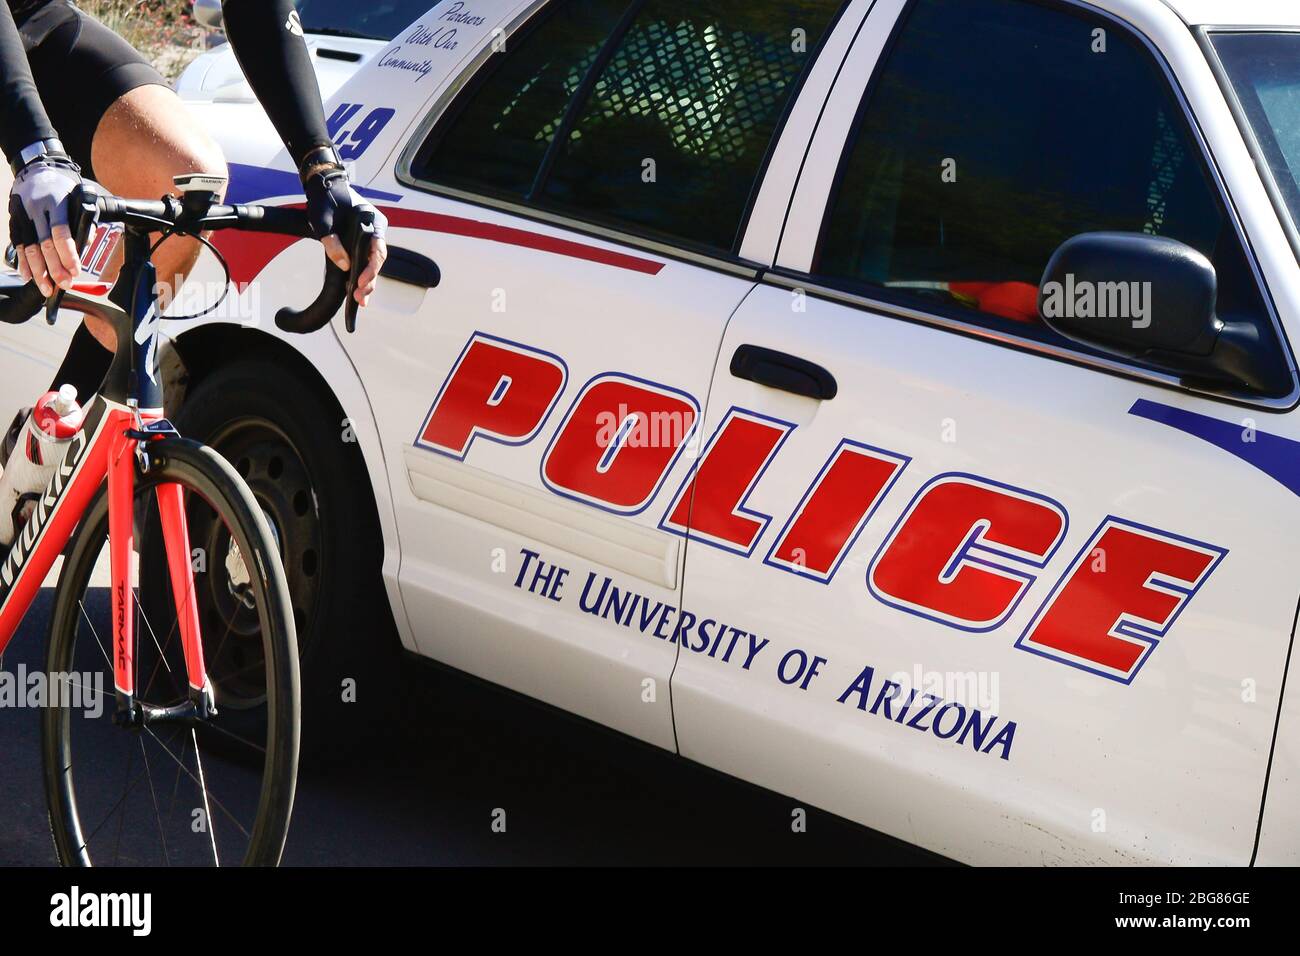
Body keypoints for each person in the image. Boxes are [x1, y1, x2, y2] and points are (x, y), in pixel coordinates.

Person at [0, 0, 387, 405]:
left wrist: (321, 168)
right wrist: (35, 156)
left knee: (186, 179)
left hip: (33, 17)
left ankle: (57, 428)